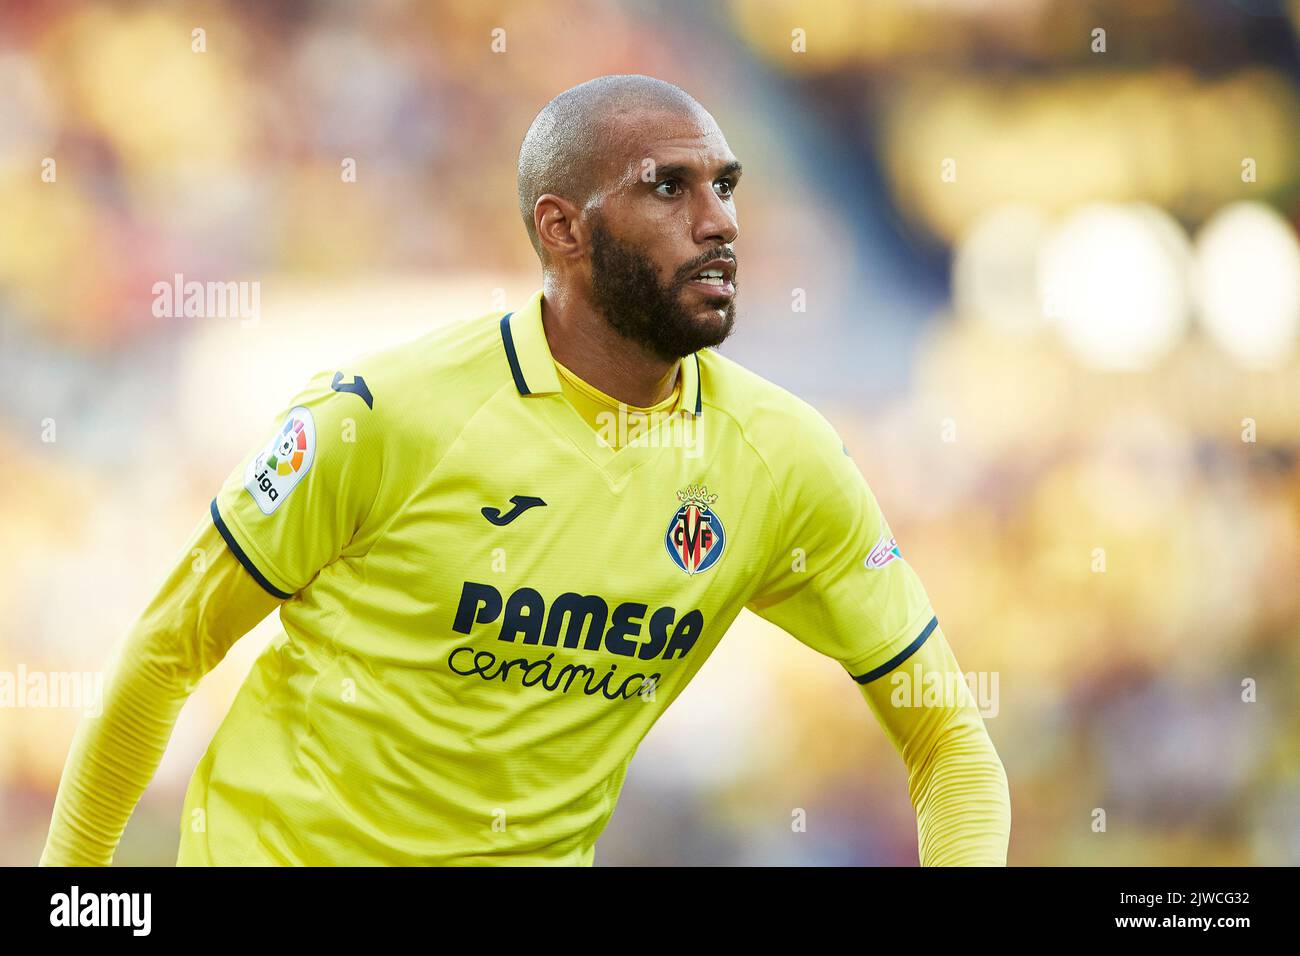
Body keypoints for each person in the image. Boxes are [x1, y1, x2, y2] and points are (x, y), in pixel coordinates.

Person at [40, 75, 1010, 866]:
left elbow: (950, 743)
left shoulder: (783, 460)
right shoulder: (379, 416)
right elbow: (166, 649)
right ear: (562, 229)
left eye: (727, 184)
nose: (719, 221)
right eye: (669, 187)